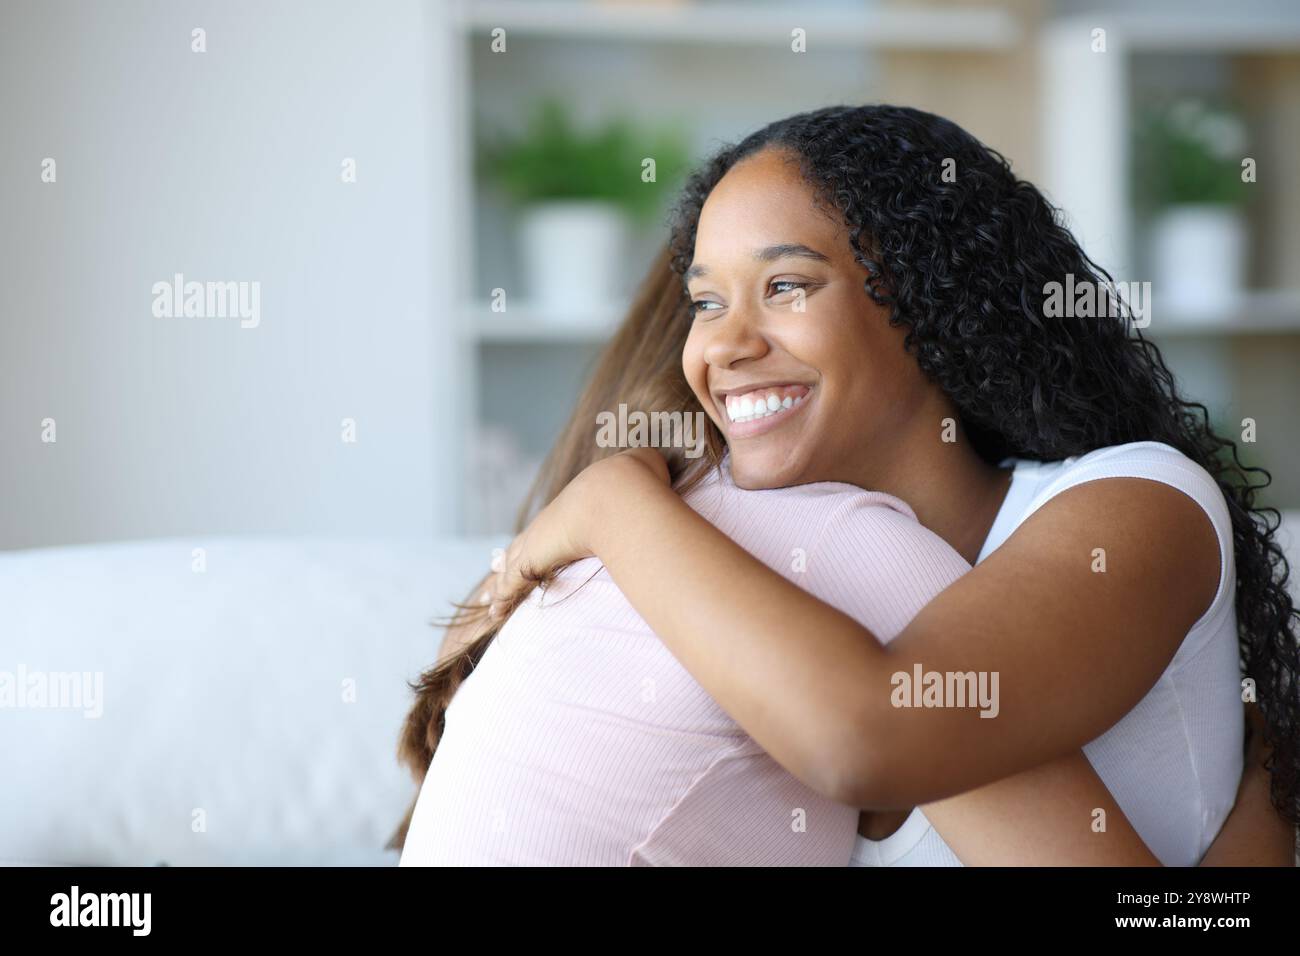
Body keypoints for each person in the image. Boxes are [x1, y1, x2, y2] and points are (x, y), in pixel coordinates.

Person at [478, 105, 1299, 866]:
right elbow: (467, 700)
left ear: (928, 300)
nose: (723, 346)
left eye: (786, 285)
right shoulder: (752, 564)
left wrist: (616, 506)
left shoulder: (1137, 500)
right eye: (705, 301)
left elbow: (869, 738)